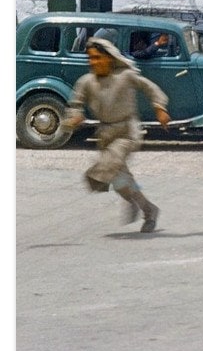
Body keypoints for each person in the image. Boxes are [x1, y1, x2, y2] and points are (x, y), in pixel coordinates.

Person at [59, 37, 171, 233]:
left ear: (109, 58)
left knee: (105, 168)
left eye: (97, 57)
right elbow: (76, 105)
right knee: (120, 182)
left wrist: (159, 107)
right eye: (90, 58)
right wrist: (74, 118)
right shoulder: (86, 82)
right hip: (106, 136)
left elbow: (150, 88)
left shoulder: (126, 76)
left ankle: (140, 206)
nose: (93, 62)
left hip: (127, 133)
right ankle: (149, 210)